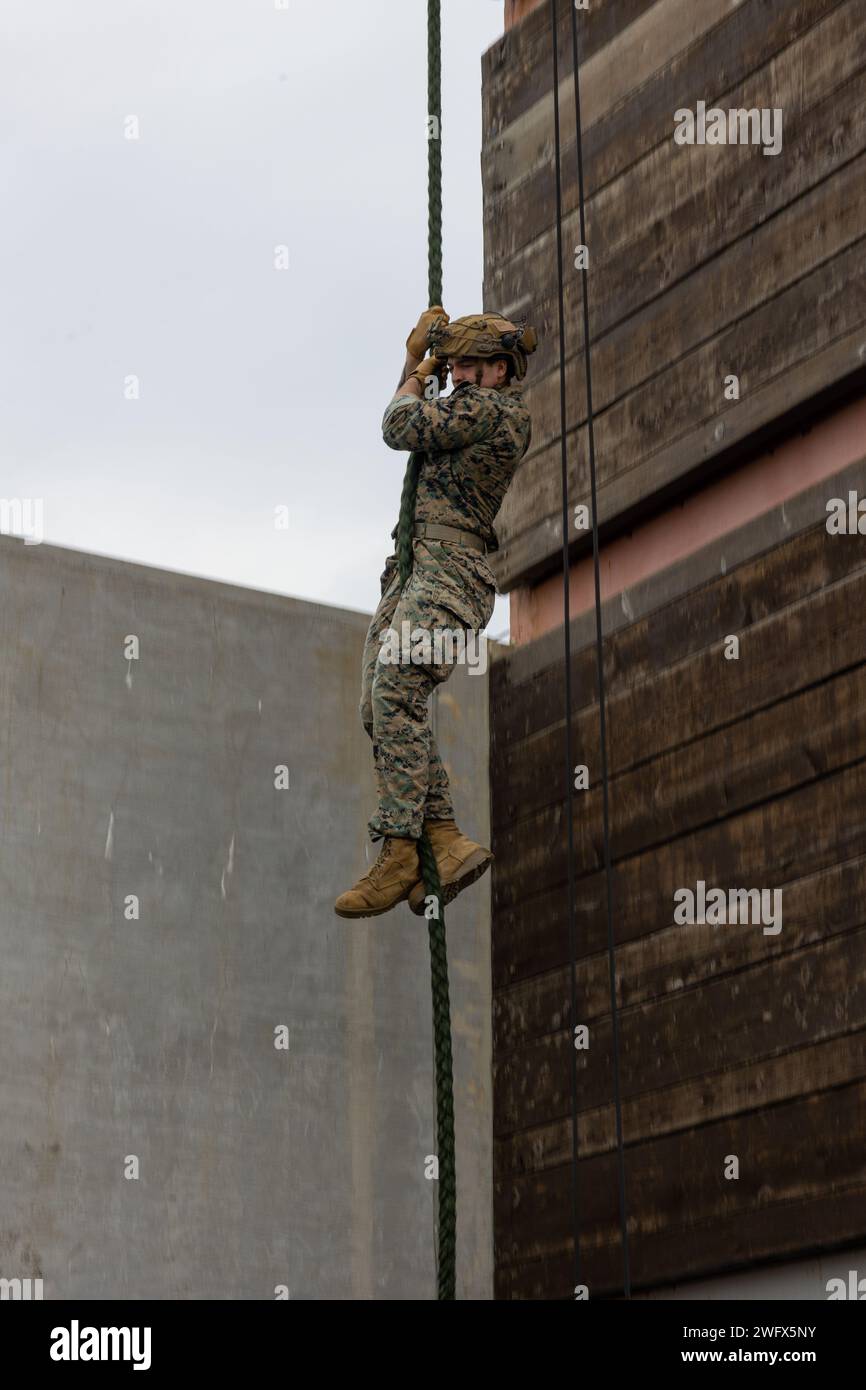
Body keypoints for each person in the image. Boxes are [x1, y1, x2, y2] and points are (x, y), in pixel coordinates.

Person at [334, 308, 537, 919]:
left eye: (472, 367)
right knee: (379, 703)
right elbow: (412, 421)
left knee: (397, 685)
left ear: (502, 371)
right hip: (415, 571)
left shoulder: (492, 411)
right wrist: (417, 366)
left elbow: (399, 425)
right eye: (456, 369)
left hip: (450, 575)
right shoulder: (464, 408)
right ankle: (443, 837)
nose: (461, 377)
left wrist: (415, 364)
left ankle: (401, 848)